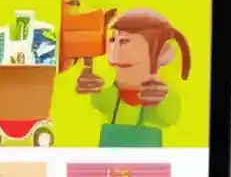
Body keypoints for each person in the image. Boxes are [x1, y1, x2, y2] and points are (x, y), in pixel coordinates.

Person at [74, 9, 191, 147]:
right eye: (113, 40)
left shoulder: (166, 101)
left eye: (124, 41)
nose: (115, 50)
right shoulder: (110, 97)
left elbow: (170, 116)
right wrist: (88, 82)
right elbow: (95, 103)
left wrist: (160, 98)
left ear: (161, 53)